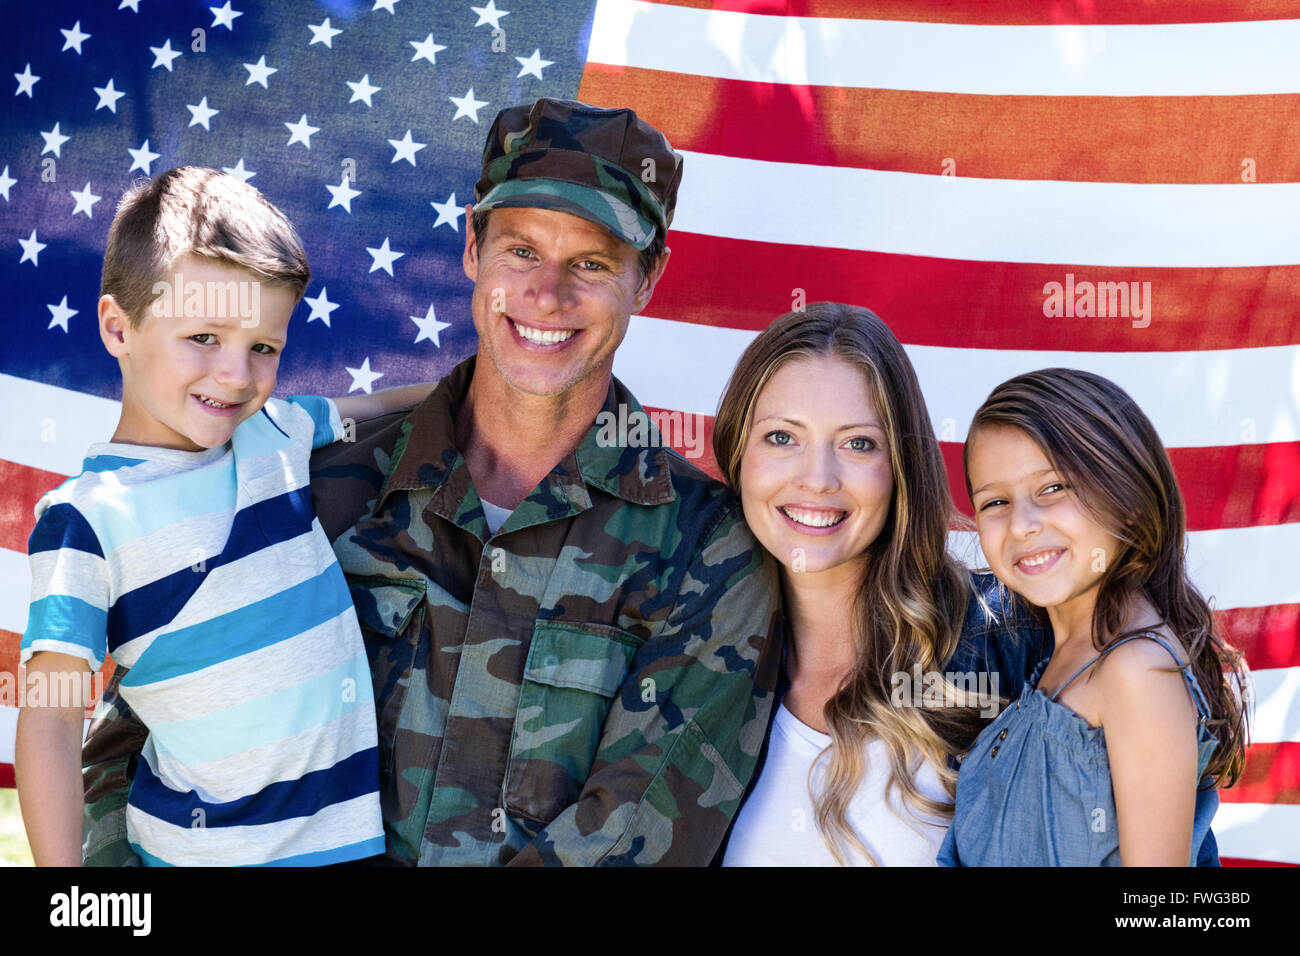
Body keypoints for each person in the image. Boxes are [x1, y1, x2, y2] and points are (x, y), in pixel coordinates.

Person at [79, 100, 783, 866]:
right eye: (520, 250)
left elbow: (634, 839)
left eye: (591, 262)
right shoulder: (306, 484)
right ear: (473, 247)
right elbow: (137, 742)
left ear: (647, 279)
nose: (548, 294)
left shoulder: (708, 553)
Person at [17, 168, 433, 866]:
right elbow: (52, 719)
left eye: (263, 347)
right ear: (119, 327)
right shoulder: (87, 519)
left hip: (349, 850)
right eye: (204, 337)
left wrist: (482, 386)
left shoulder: (275, 429)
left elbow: (382, 408)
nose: (237, 374)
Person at [709, 303, 1054, 866]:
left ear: (902, 465)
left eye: (858, 444)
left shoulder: (1013, 636)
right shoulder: (692, 660)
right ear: (738, 453)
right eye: (781, 437)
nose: (817, 479)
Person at [938, 368, 1249, 865]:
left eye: (1053, 488)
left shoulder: (1135, 670)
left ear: (1125, 495)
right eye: (995, 501)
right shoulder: (1054, 657)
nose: (1021, 524)